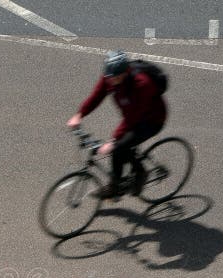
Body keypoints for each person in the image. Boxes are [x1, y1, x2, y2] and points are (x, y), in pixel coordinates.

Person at [67, 50, 167, 198]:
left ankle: (138, 174)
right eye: (109, 77)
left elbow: (133, 119)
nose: (111, 81)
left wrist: (113, 141)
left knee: (118, 148)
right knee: (120, 147)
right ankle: (118, 182)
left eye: (115, 78)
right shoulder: (110, 76)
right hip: (132, 118)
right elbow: (97, 96)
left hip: (151, 120)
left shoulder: (142, 84)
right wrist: (79, 114)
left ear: (125, 73)